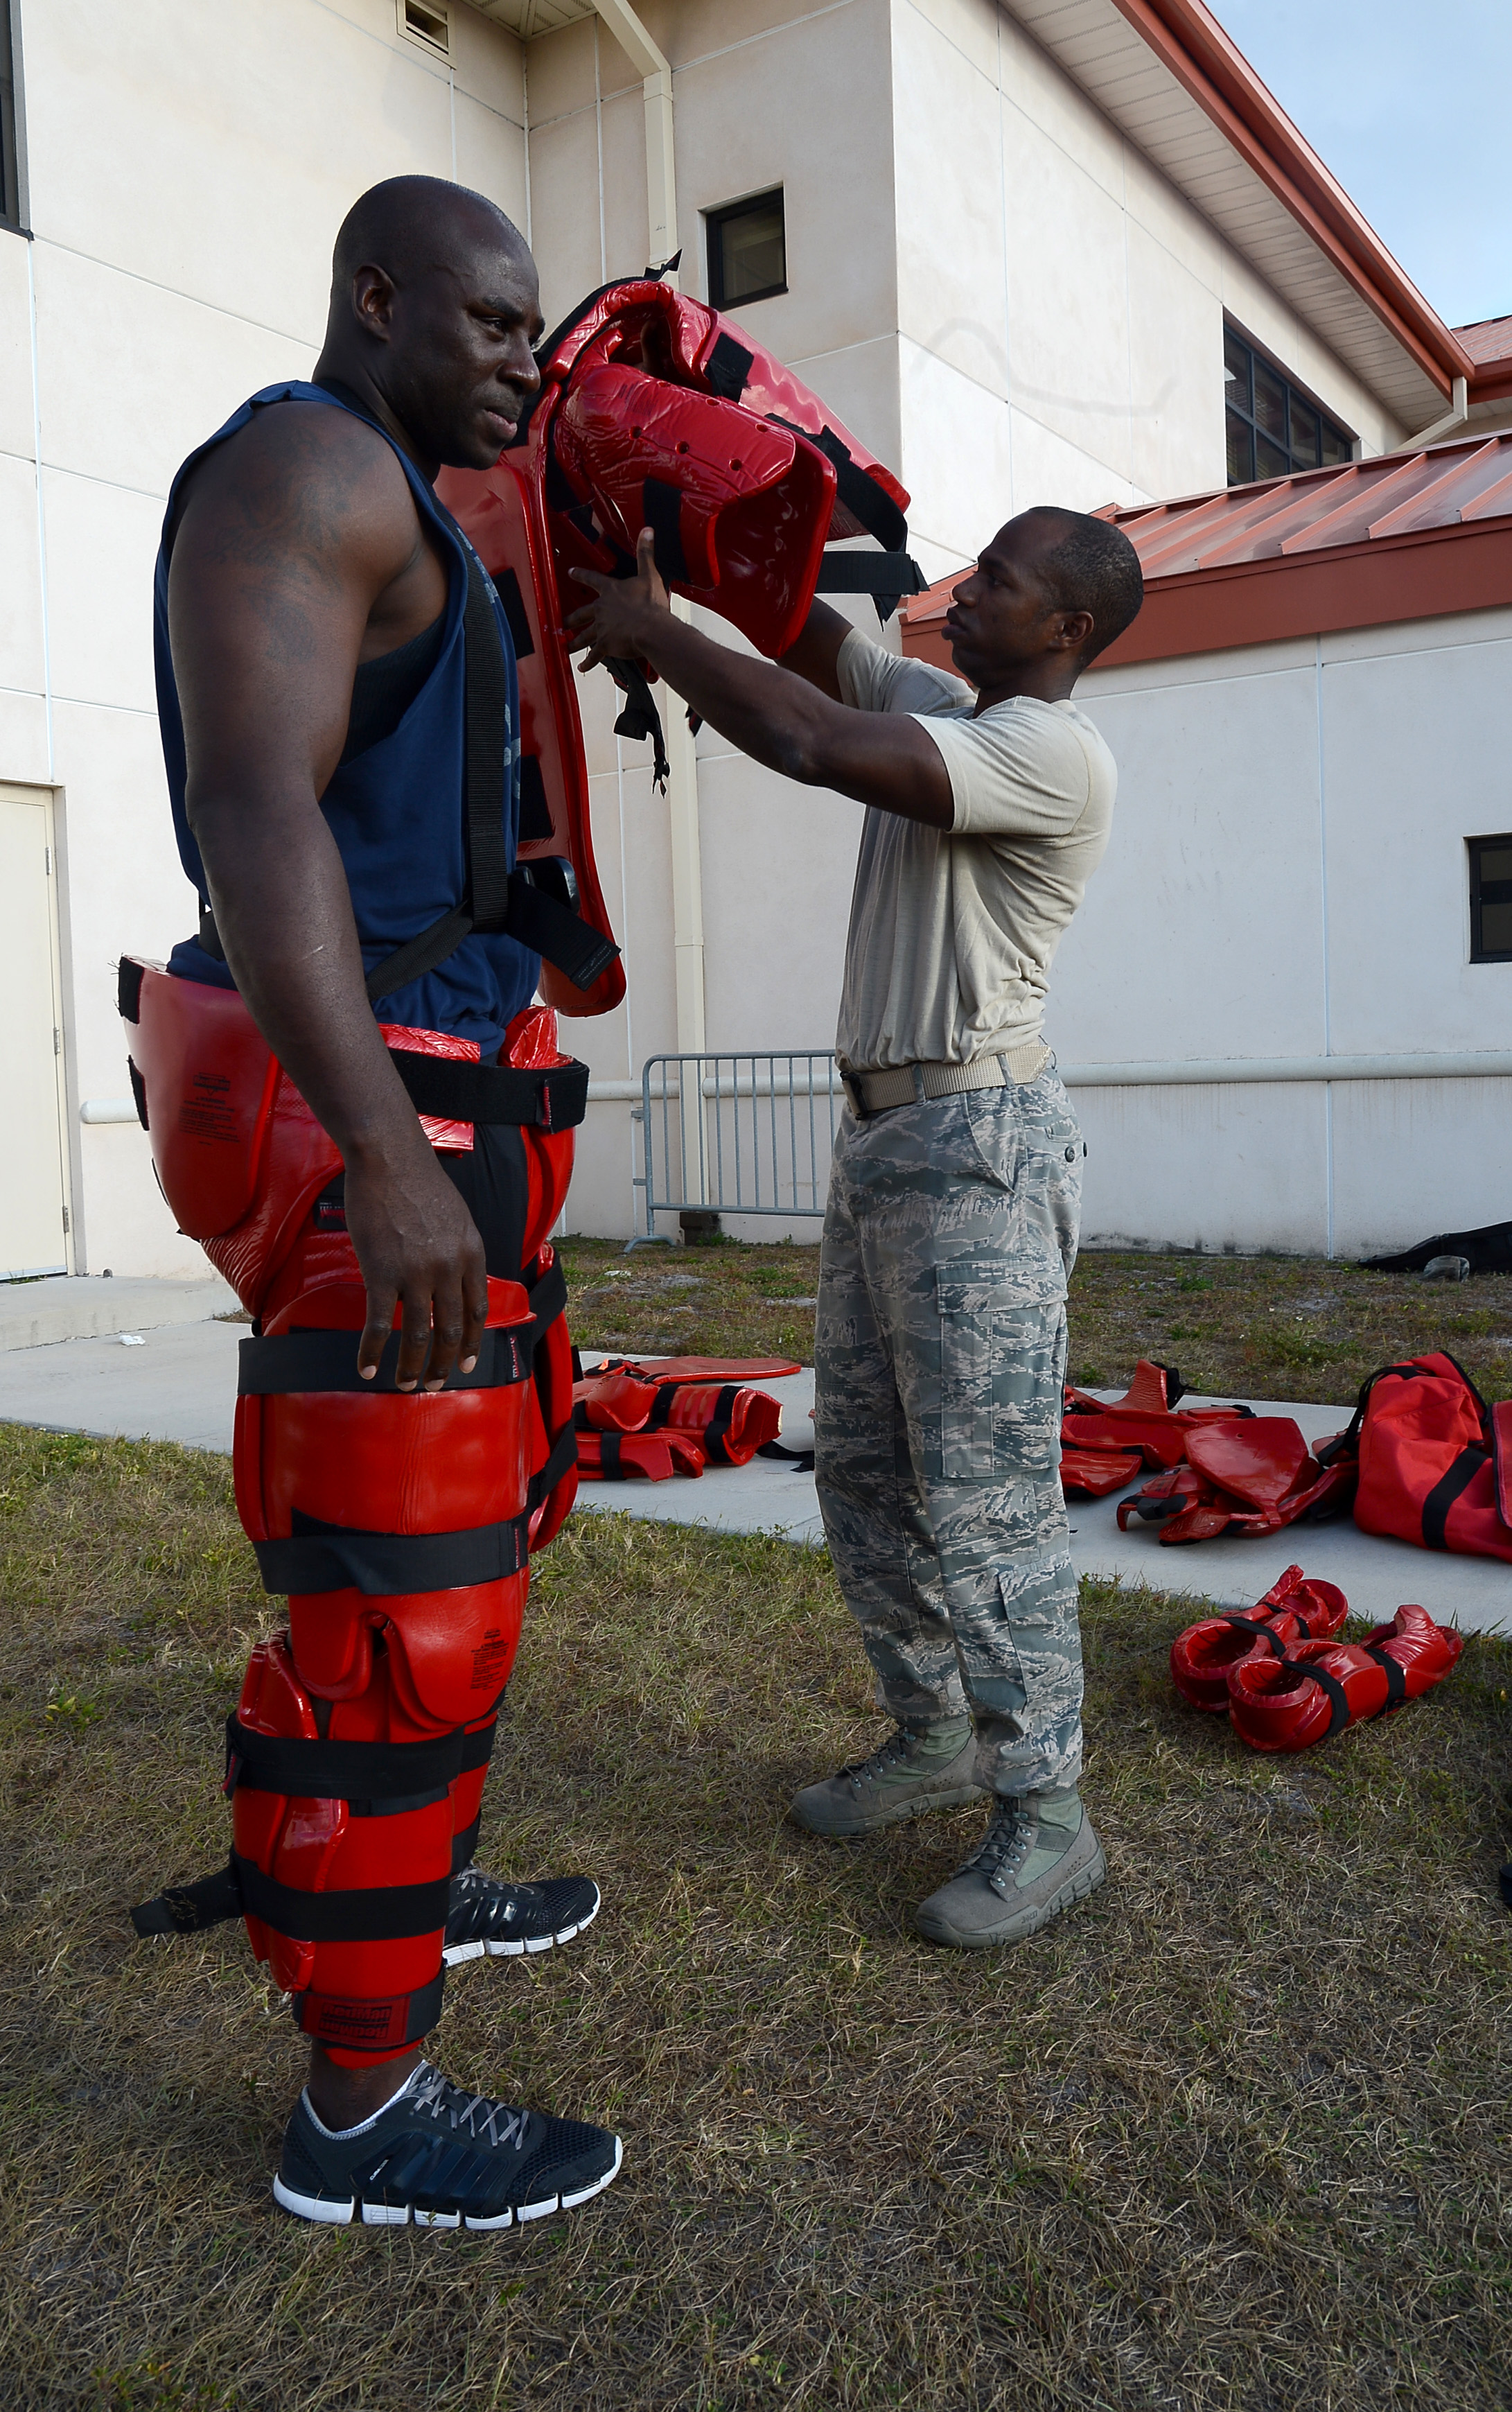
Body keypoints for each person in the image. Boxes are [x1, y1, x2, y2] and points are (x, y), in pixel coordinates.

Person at [150, 177, 619, 2225]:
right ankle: (358, 2112)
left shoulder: (402, 493)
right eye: (498, 324)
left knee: (471, 1546)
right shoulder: (305, 467)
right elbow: (257, 810)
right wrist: (379, 1150)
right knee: (398, 1616)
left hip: (446, 1097)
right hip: (385, 1122)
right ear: (377, 299)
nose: (528, 362)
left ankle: (405, 1887)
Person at [568, 507, 1143, 1950]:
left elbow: (813, 741)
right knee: (868, 1473)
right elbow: (810, 647)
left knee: (988, 1500)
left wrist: (652, 637)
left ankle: (1045, 1817)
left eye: (997, 583)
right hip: (884, 1140)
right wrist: (688, 545)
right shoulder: (950, 703)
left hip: (976, 1145)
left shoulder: (1046, 756)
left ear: (1065, 628)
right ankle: (931, 1734)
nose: (960, 596)